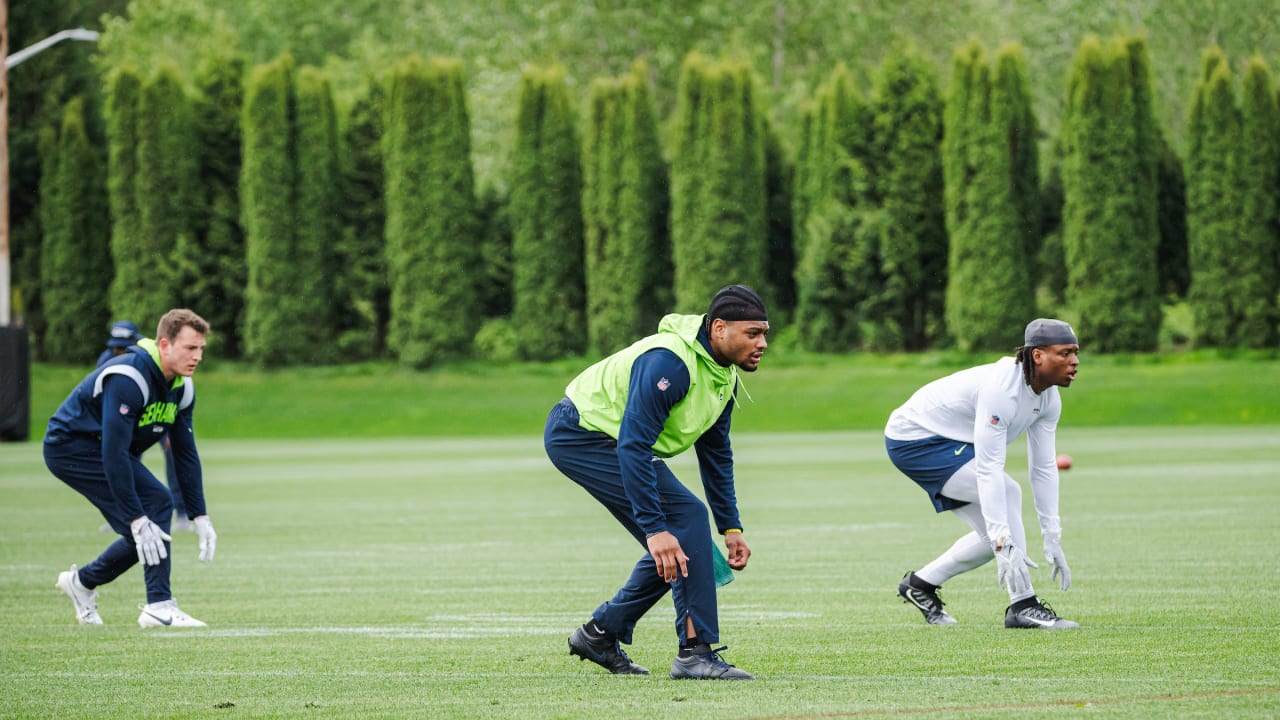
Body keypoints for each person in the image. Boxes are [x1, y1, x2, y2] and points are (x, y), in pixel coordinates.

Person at [544, 285, 770, 680]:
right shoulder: (670, 363)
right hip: (580, 434)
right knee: (682, 523)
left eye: (765, 333)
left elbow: (716, 454)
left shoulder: (722, 377)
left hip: (617, 440)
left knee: (685, 532)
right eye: (753, 333)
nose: (763, 343)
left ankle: (601, 632)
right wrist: (653, 527)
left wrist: (731, 526)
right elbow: (634, 445)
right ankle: (694, 654)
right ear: (719, 328)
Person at [885, 318, 1081, 630]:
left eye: (1075, 353)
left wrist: (1051, 534)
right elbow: (989, 470)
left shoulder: (1048, 397)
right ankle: (1023, 604)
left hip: (951, 439)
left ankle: (920, 584)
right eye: (1065, 353)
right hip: (914, 438)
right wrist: (1006, 544)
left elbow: (1043, 467)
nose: (1075, 362)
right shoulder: (1003, 390)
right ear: (1038, 356)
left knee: (994, 532)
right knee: (1006, 496)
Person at [47, 308, 218, 628]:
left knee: (156, 509)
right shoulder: (130, 377)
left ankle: (84, 583)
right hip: (70, 448)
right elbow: (113, 454)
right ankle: (158, 605)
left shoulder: (182, 386)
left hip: (106, 450)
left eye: (201, 349)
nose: (197, 357)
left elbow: (185, 454)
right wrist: (136, 518)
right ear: (164, 345)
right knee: (151, 512)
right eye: (190, 348)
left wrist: (199, 514)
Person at [96, 320, 189, 531]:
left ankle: (183, 513)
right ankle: (124, 516)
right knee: (122, 458)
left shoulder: (151, 359)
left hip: (157, 411)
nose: (119, 352)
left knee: (173, 451)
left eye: (123, 347)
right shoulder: (106, 361)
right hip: (128, 416)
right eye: (115, 348)